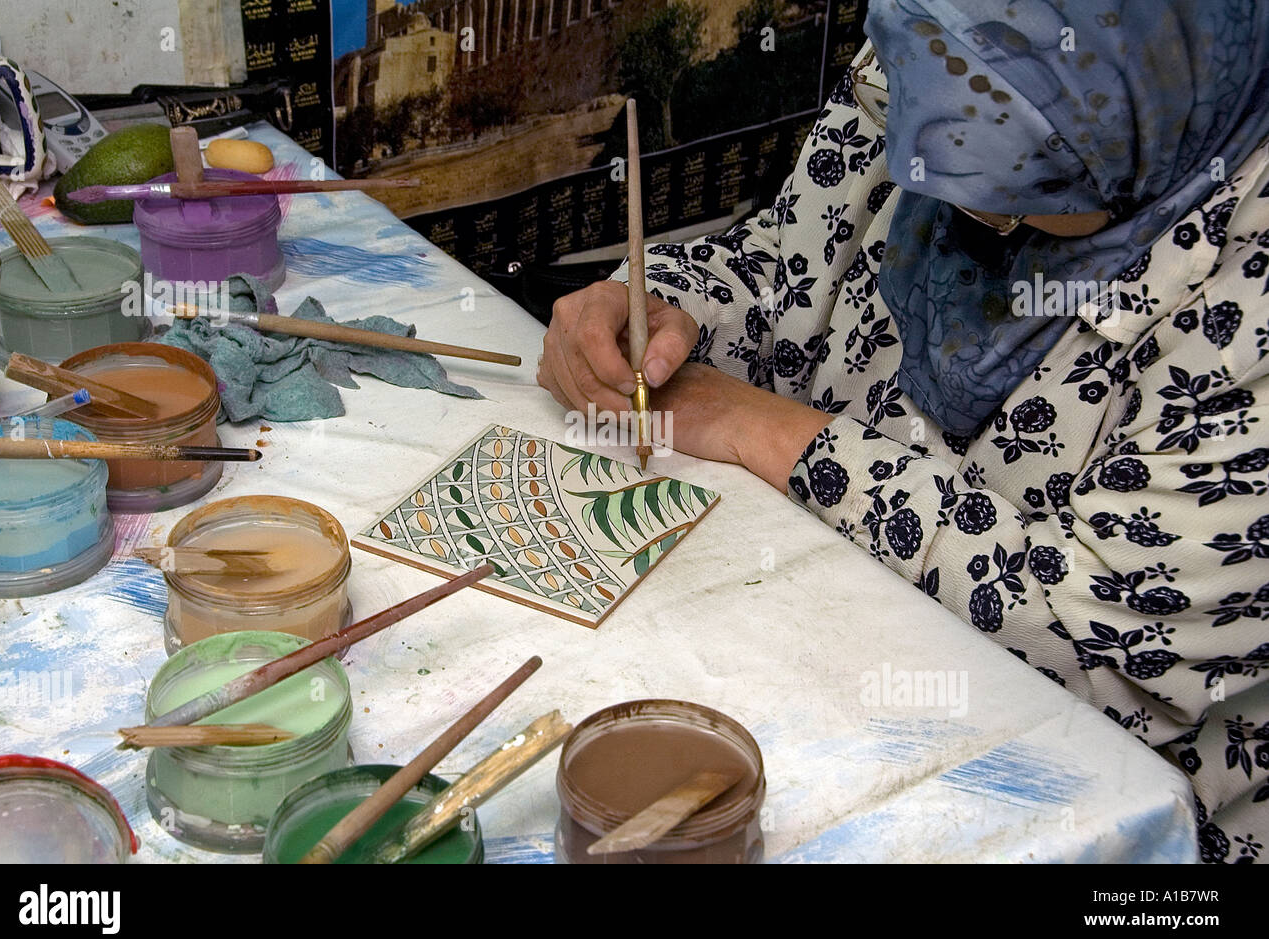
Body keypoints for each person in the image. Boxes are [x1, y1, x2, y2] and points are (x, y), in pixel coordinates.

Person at [538, 0, 1269, 863]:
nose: (948, 208)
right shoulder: (938, 47)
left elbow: (1095, 644)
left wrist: (762, 429)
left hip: (1099, 808)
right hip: (817, 628)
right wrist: (659, 313)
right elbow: (787, 263)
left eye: (1020, 186)